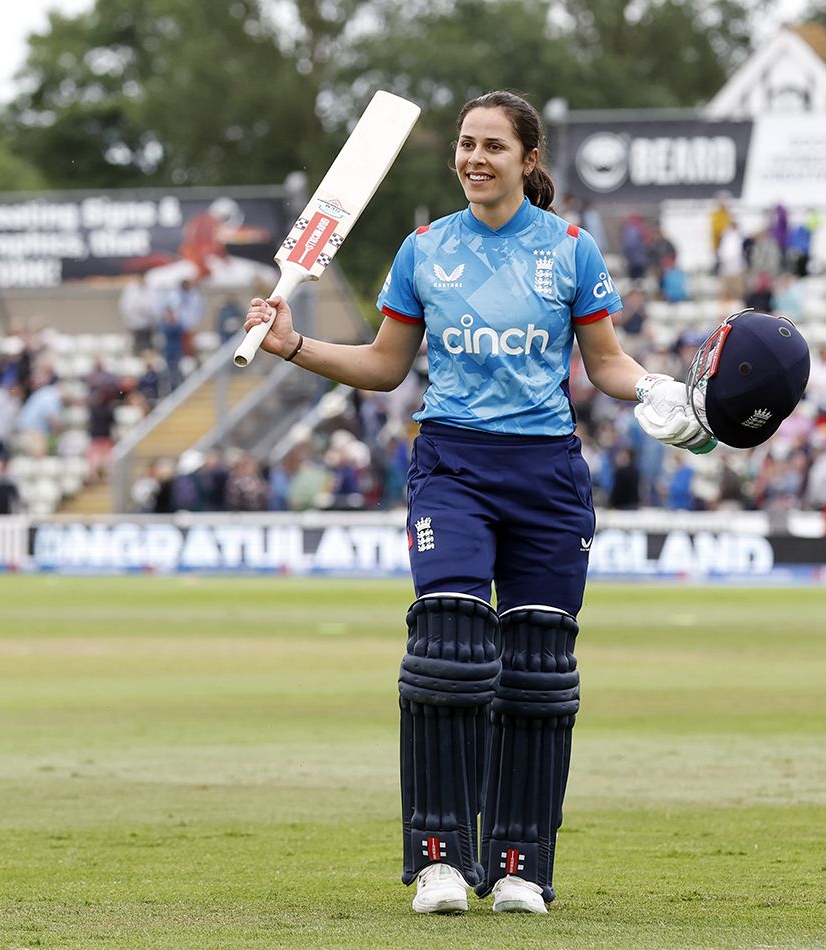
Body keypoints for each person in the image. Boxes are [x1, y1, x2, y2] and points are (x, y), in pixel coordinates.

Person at [242, 89, 711, 917]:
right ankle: (439, 862)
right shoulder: (425, 251)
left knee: (537, 673)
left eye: (493, 145)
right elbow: (387, 366)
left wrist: (657, 392)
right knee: (448, 652)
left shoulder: (569, 248)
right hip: (453, 462)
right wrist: (294, 345)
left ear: (529, 160)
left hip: (547, 475)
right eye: (464, 143)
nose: (473, 158)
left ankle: (522, 866)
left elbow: (604, 363)